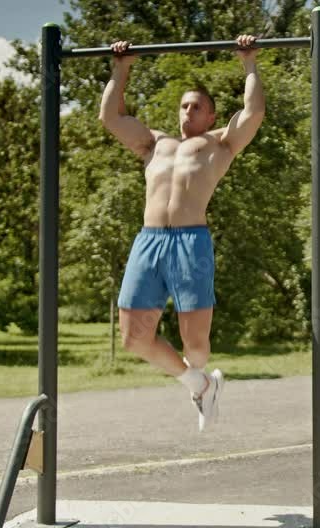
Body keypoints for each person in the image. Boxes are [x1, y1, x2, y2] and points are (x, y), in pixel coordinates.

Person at [99, 35, 264, 432]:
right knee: (134, 338)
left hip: (191, 244)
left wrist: (249, 62)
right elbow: (110, 117)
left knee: (196, 346)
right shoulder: (153, 143)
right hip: (149, 241)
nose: (188, 111)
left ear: (211, 117)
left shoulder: (219, 145)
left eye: (197, 107)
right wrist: (121, 69)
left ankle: (200, 374)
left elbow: (253, 111)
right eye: (184, 106)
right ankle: (200, 385)